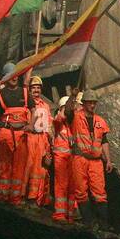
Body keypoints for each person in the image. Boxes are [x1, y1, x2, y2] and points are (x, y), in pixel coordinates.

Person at [0, 63, 30, 205]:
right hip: (6, 133)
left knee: (19, 167)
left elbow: (35, 109)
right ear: (6, 77)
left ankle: (15, 198)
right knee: (4, 165)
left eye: (16, 75)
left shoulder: (24, 93)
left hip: (21, 134)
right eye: (11, 75)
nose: (14, 78)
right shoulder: (1, 94)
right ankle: (2, 194)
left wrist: (30, 124)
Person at [71, 91, 112, 226]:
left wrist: (108, 160)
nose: (93, 105)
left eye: (94, 103)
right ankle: (88, 221)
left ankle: (104, 224)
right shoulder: (76, 117)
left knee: (100, 192)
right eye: (90, 102)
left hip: (96, 161)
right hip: (80, 158)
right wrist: (72, 97)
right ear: (84, 103)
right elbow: (67, 112)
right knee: (81, 191)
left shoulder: (100, 121)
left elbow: (104, 141)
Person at [23, 76, 52, 207]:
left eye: (38, 88)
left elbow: (48, 126)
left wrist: (47, 147)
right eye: (33, 88)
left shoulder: (45, 106)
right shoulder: (25, 103)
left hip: (41, 139)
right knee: (26, 167)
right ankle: (21, 195)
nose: (36, 90)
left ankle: (33, 198)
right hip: (29, 137)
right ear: (29, 90)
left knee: (37, 169)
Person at [49, 95, 76, 223]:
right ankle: (60, 214)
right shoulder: (58, 121)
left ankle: (70, 214)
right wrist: (66, 107)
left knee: (72, 186)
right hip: (60, 157)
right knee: (61, 185)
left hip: (71, 157)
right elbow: (60, 118)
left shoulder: (71, 125)